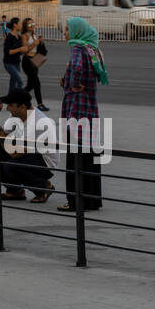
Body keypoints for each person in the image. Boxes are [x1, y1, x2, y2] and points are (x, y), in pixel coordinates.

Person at [58, 16, 104, 213]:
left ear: (77, 32)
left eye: (68, 30)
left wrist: (73, 85)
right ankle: (92, 200)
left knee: (74, 158)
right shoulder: (92, 49)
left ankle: (75, 201)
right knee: (89, 157)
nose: (65, 34)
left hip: (76, 111)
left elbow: (76, 68)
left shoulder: (77, 48)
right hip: (90, 111)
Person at [0, 88, 55, 203]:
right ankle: (15, 190)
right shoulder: (15, 115)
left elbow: (15, 153)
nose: (7, 108)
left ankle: (43, 187)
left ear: (22, 107)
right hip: (28, 153)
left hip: (44, 162)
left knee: (11, 166)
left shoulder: (38, 123)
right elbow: (5, 138)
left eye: (10, 105)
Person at [20, 17, 49, 112]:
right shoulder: (24, 35)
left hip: (35, 60)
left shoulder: (34, 34)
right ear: (25, 26)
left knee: (30, 85)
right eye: (30, 24)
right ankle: (40, 104)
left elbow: (39, 49)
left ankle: (17, 98)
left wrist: (41, 42)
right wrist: (35, 43)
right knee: (36, 83)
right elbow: (25, 50)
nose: (32, 26)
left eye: (33, 23)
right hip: (27, 61)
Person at [1, 16, 25, 93]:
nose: (21, 25)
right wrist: (20, 49)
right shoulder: (9, 37)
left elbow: (21, 51)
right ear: (15, 25)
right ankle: (16, 100)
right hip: (9, 63)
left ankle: (10, 101)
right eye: (20, 24)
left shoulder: (19, 37)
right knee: (20, 82)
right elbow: (7, 52)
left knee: (13, 83)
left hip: (17, 62)